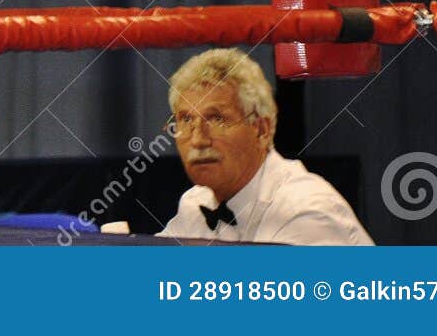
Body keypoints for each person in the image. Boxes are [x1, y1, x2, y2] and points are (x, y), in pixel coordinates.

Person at [158, 48, 372, 244]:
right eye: (185, 120)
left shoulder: (305, 209)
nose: (197, 140)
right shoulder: (196, 202)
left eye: (217, 119)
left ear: (261, 129)